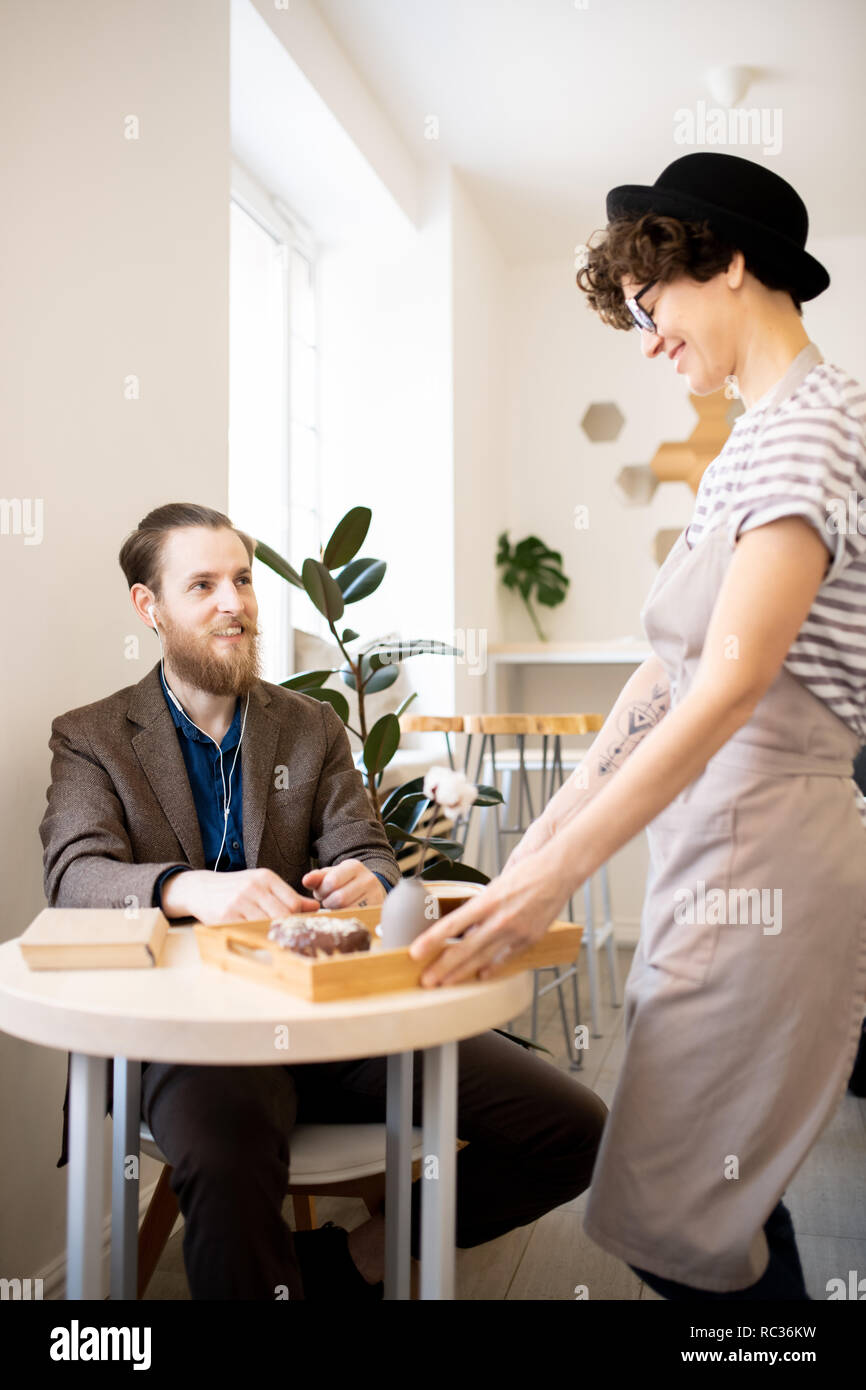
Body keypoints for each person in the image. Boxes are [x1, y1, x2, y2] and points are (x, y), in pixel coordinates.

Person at [410, 153, 866, 1300]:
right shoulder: (747, 445)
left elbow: (726, 685)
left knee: (679, 1214)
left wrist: (547, 881)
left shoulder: (814, 428)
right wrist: (527, 860)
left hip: (767, 858)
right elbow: (657, 684)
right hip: (714, 851)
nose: (650, 340)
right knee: (714, 1199)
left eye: (652, 306)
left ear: (729, 265)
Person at [40, 501, 608, 1299]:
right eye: (201, 585)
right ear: (150, 607)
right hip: (192, 1039)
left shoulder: (310, 725)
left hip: (337, 1020)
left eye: (240, 579)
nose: (234, 602)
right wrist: (193, 887)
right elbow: (74, 877)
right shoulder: (93, 735)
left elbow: (366, 849)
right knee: (229, 1160)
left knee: (574, 1130)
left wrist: (366, 878)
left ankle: (349, 1267)